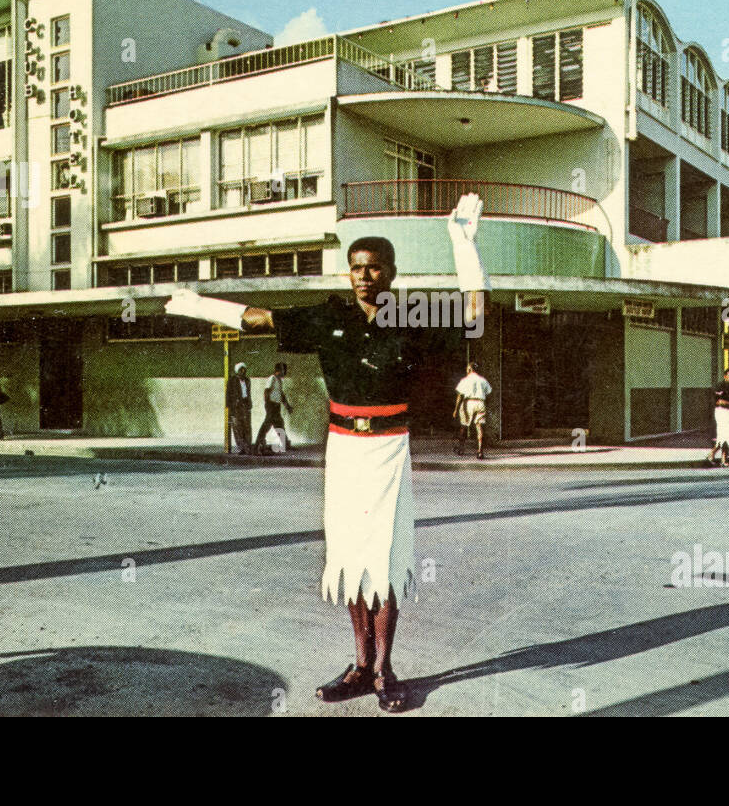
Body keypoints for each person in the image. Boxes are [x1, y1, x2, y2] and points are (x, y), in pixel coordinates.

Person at [164, 193, 489, 712]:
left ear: (392, 273)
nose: (364, 276)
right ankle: (360, 665)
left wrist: (463, 245)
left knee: (384, 562)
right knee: (350, 561)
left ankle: (385, 671)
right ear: (349, 274)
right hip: (344, 449)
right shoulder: (326, 317)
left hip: (388, 449)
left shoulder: (413, 314)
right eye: (356, 268)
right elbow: (258, 318)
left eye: (374, 267)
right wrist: (201, 306)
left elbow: (474, 312)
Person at [452, 361, 492, 459]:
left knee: (464, 425)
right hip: (480, 402)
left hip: (468, 402)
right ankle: (480, 451)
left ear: (469, 369)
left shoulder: (465, 380)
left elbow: (459, 396)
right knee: (479, 427)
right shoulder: (483, 380)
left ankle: (461, 448)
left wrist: (456, 409)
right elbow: (489, 392)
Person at [706, 368, 729, 468]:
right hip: (721, 412)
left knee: (727, 437)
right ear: (725, 376)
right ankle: (722, 460)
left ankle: (713, 456)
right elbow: (719, 401)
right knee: (725, 436)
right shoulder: (719, 386)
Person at [255, 362, 292, 454]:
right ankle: (258, 443)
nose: (285, 372)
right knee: (267, 424)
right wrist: (268, 404)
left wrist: (287, 406)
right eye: (284, 370)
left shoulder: (279, 380)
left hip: (276, 405)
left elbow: (281, 395)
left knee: (279, 424)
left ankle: (285, 443)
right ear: (279, 370)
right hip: (271, 405)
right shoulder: (272, 378)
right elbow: (266, 391)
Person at [225, 362, 253, 455]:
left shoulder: (247, 380)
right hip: (236, 406)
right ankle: (241, 447)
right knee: (237, 427)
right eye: (241, 370)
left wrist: (249, 403)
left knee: (247, 427)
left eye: (244, 370)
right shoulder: (232, 380)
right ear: (237, 371)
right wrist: (229, 407)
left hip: (245, 405)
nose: (243, 372)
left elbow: (248, 393)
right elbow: (228, 394)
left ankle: (248, 447)